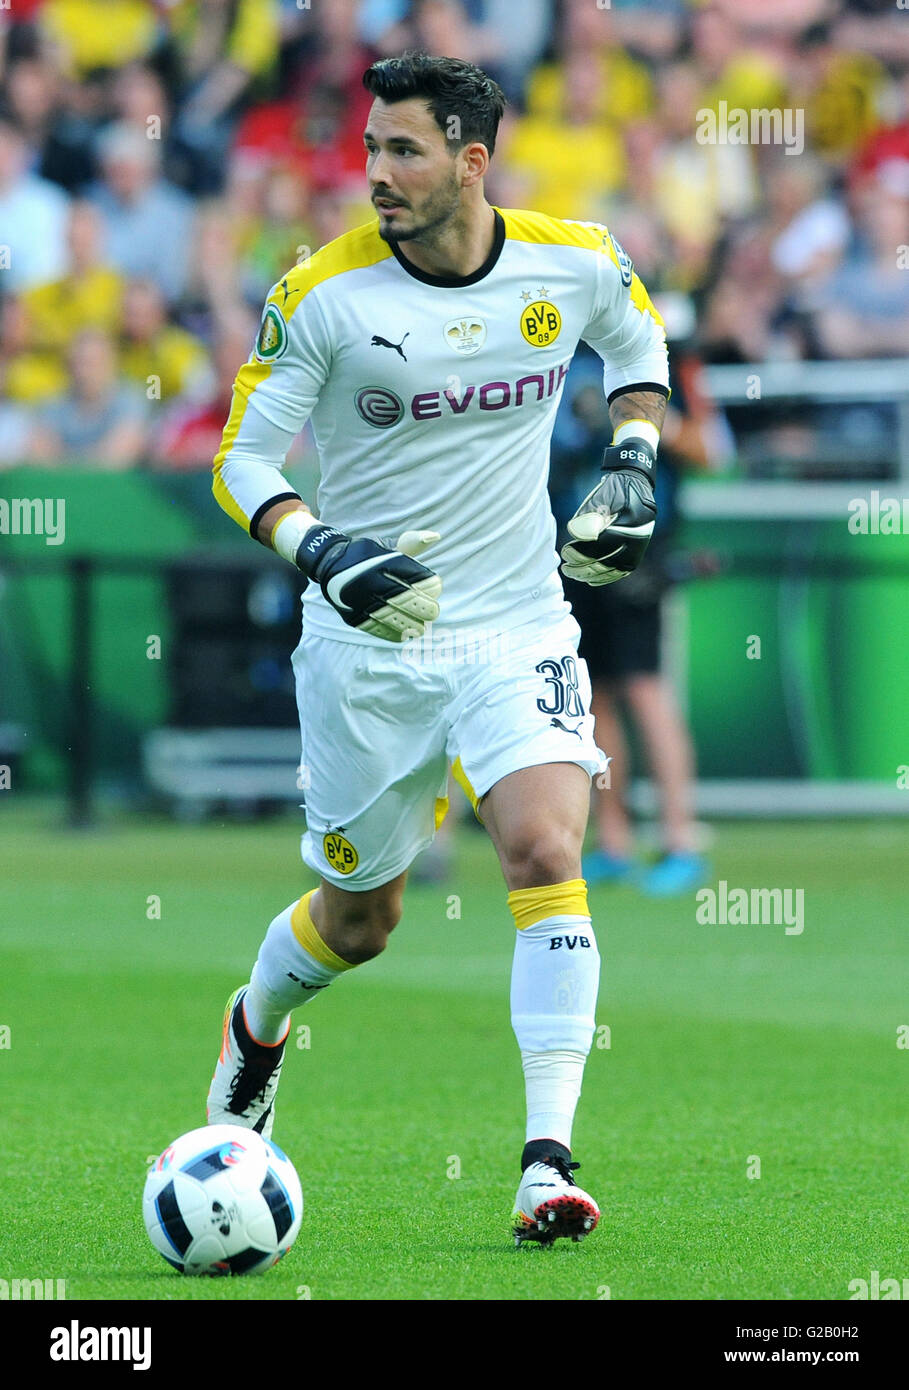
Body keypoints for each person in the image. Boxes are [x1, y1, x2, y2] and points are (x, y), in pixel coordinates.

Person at [206, 53, 668, 1248]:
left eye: (403, 150)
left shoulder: (571, 257)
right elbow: (241, 460)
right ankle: (256, 1025)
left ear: (473, 159)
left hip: (517, 622)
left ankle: (545, 1161)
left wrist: (633, 450)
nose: (378, 175)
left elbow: (639, 340)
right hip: (368, 644)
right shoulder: (323, 295)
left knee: (542, 844)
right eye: (369, 150)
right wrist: (319, 550)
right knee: (363, 918)